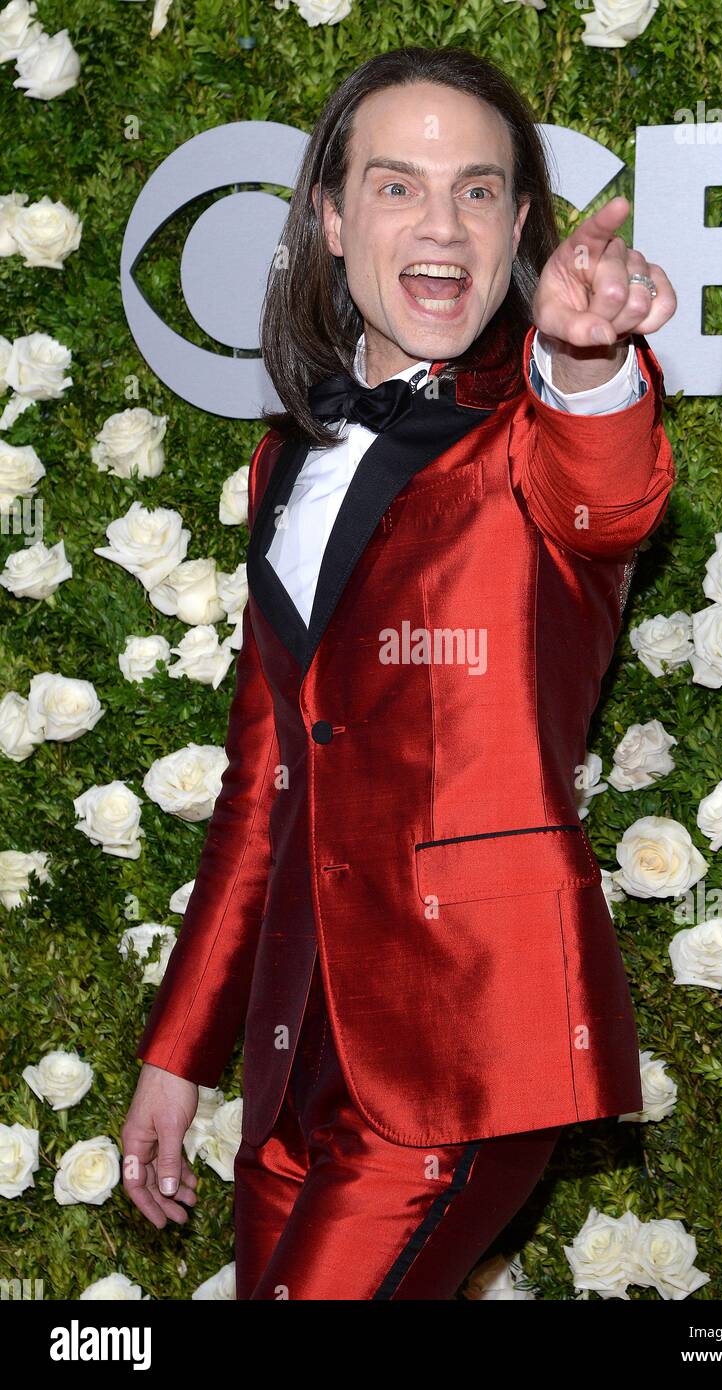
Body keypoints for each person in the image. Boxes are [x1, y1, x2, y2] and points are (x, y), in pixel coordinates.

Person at [122, 44, 676, 1300]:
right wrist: (177, 1053)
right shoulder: (282, 464)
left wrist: (586, 365)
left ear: (520, 223)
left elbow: (608, 497)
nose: (441, 224)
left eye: (477, 190)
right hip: (294, 1041)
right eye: (396, 186)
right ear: (327, 216)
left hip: (462, 1045)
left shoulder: (534, 433)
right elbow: (262, 785)